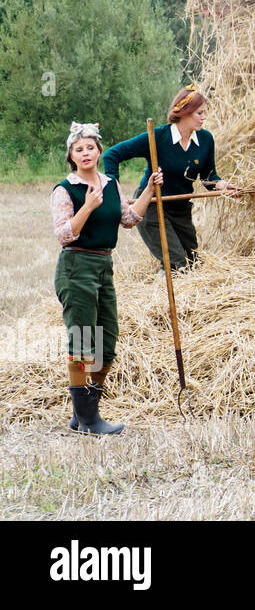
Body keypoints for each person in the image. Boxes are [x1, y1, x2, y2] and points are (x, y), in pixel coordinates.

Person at [52, 122, 163, 435]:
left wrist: (150, 190)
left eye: (90, 147)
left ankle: (85, 414)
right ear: (71, 156)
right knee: (83, 342)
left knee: (107, 343)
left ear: (99, 151)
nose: (85, 153)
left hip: (103, 266)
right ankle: (87, 420)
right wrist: (87, 206)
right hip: (76, 267)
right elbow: (63, 234)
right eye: (78, 149)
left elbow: (129, 219)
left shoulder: (111, 183)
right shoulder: (66, 189)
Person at [103, 84, 232, 271]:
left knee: (194, 265)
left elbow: (208, 177)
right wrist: (114, 192)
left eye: (205, 113)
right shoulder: (158, 137)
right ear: (184, 112)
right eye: (200, 113)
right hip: (153, 204)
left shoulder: (205, 140)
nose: (204, 117)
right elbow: (111, 155)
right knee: (178, 265)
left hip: (180, 209)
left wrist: (222, 185)